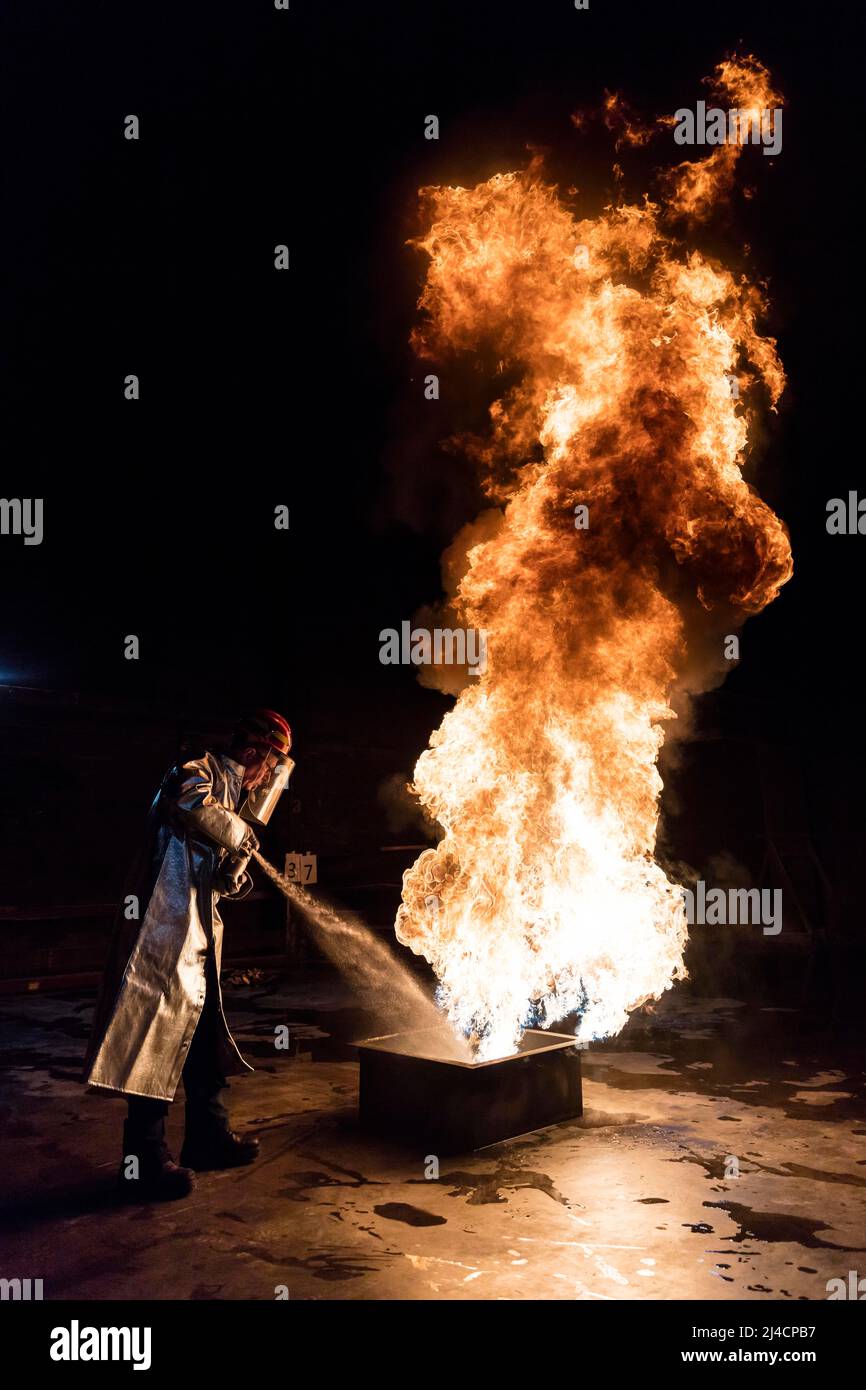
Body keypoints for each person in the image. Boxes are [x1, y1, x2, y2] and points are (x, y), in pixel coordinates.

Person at [83, 709, 293, 1200]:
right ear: (253, 753)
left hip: (198, 939)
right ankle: (143, 1161)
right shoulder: (196, 771)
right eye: (270, 765)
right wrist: (239, 834)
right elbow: (188, 803)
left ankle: (208, 1138)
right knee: (152, 1040)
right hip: (161, 933)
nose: (267, 777)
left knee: (203, 1037)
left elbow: (214, 877)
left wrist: (232, 874)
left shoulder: (232, 800)